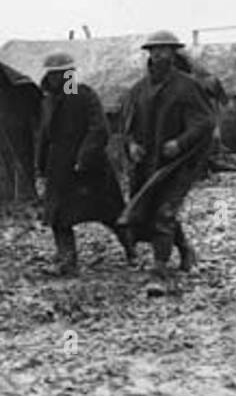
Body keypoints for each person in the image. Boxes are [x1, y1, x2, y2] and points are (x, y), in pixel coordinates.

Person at [117, 30, 216, 296]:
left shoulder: (187, 85)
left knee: (164, 212)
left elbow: (205, 121)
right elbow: (126, 125)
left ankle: (158, 272)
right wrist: (132, 146)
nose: (159, 54)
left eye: (165, 49)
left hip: (178, 164)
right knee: (154, 208)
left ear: (173, 53)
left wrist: (180, 142)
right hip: (147, 164)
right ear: (148, 53)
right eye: (154, 49)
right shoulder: (138, 89)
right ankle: (185, 249)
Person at [34, 52, 135, 276]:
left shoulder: (81, 94)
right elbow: (44, 134)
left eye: (62, 74)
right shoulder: (49, 99)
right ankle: (67, 262)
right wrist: (41, 165)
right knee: (58, 217)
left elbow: (99, 129)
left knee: (110, 213)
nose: (57, 78)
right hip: (59, 167)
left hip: (89, 168)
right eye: (53, 74)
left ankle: (132, 250)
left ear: (70, 74)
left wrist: (84, 158)